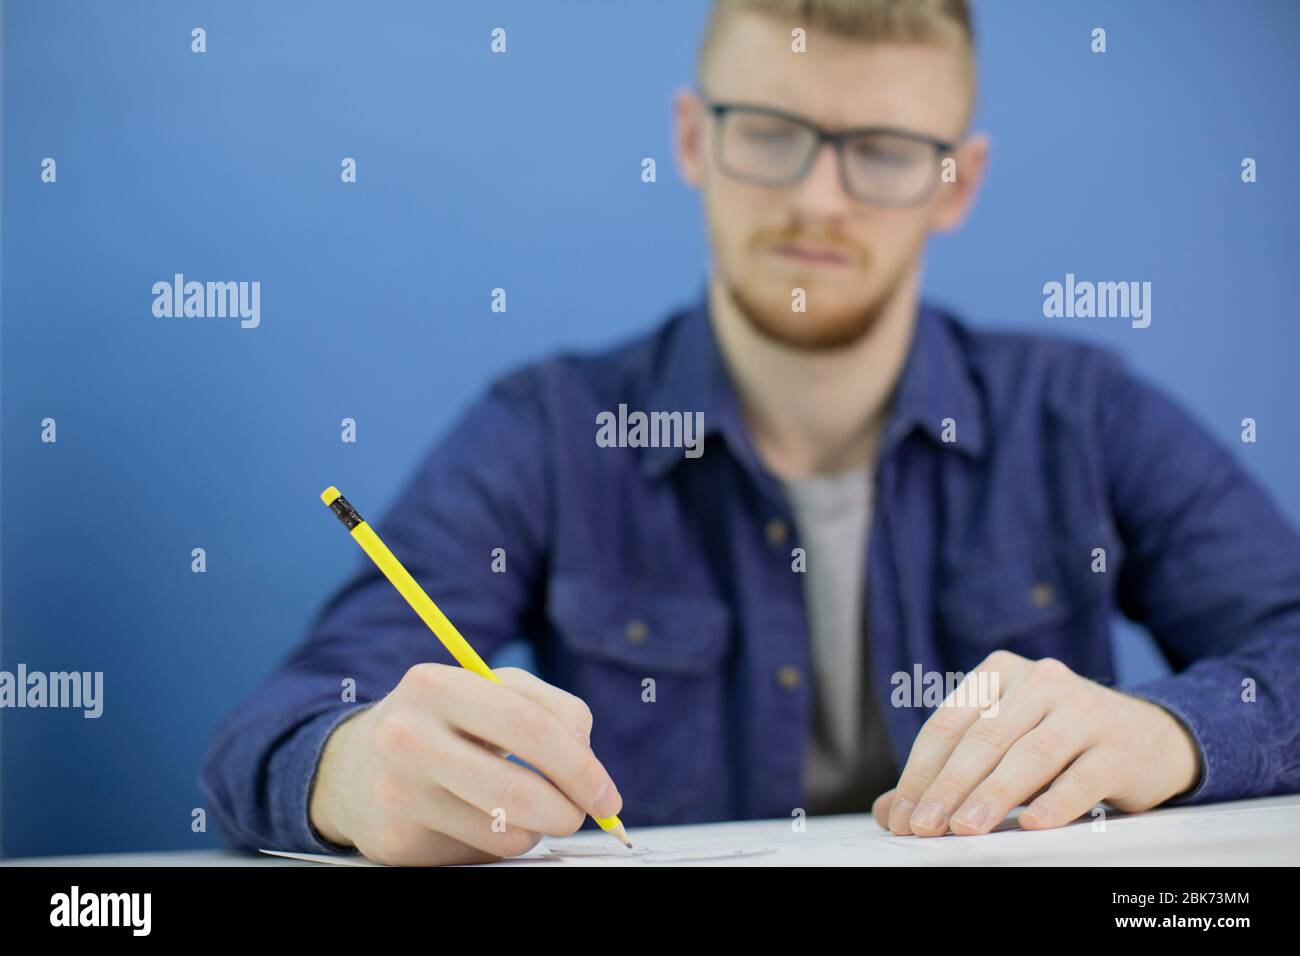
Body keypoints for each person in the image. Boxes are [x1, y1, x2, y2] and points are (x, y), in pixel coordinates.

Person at [200, 0, 1300, 865]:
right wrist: (353, 771)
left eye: (879, 149)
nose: (820, 199)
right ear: (692, 138)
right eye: (772, 133)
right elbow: (282, 721)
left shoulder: (1084, 414)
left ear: (953, 181)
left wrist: (1171, 735)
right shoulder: (546, 434)